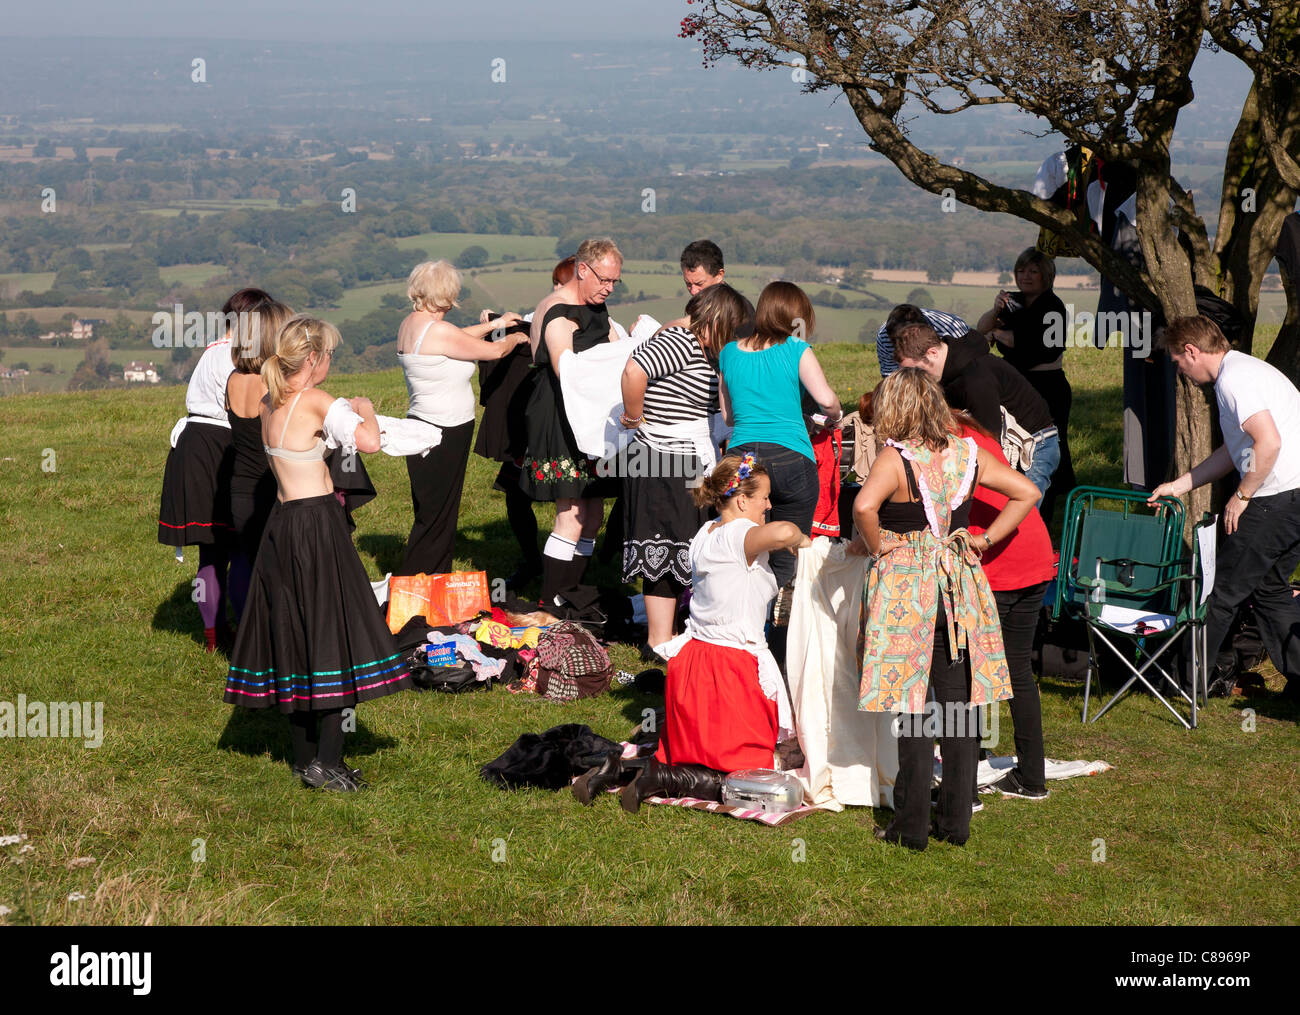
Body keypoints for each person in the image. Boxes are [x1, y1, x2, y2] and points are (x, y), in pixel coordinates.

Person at [850, 369, 1037, 850]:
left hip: (908, 590)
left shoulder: (895, 458)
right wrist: (983, 540)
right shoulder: (968, 453)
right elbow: (1028, 492)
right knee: (958, 706)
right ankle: (956, 821)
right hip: (958, 587)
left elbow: (865, 507)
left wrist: (880, 548)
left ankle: (909, 826)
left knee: (912, 708)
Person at [224, 316, 413, 791]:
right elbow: (367, 441)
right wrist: (365, 409)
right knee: (334, 634)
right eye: (328, 355)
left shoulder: (270, 401)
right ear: (312, 360)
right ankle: (327, 762)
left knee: (294, 637)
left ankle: (305, 758)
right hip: (316, 526)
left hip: (281, 527)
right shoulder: (313, 400)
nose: (331, 362)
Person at [573, 454, 810, 810]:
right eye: (764, 497)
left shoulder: (705, 531)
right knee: (747, 776)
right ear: (743, 500)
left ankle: (620, 769)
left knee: (701, 760)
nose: (769, 504)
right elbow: (782, 531)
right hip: (731, 670)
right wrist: (801, 538)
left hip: (693, 667)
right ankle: (658, 777)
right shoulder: (740, 535)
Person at [1149, 315, 1300, 700]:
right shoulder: (1242, 371)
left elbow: (1268, 443)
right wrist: (1179, 486)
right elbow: (1235, 453)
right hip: (1294, 496)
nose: (1179, 371)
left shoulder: (1235, 379)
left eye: (1177, 362)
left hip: (1276, 499)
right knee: (1271, 592)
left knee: (1220, 594)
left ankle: (1184, 687)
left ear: (1191, 351)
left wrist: (1242, 496)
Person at [618, 283, 748, 653]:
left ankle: (672, 632)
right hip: (660, 459)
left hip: (688, 459)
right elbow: (633, 371)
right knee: (661, 546)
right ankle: (658, 640)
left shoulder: (705, 351)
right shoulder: (679, 340)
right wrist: (634, 416)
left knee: (682, 546)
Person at [158, 287, 276, 652]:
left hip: (192, 448)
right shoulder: (239, 358)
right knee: (240, 547)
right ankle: (244, 634)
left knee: (211, 552)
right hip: (224, 447)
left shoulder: (210, 350)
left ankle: (213, 633)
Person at [396, 260, 527, 577]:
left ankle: (431, 582)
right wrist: (515, 339)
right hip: (444, 432)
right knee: (438, 518)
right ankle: (415, 588)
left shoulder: (413, 324)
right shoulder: (438, 330)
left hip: (423, 426)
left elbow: (457, 337)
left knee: (432, 513)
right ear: (447, 294)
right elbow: (493, 353)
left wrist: (498, 324)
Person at [957, 413, 1058, 800]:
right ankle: (1031, 778)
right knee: (1016, 671)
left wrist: (984, 541)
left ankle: (962, 791)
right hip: (1034, 558)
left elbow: (1025, 493)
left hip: (1002, 564)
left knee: (966, 676)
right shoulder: (976, 434)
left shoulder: (952, 447)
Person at [717, 281, 841, 591]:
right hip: (790, 457)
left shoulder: (729, 353)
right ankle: (779, 624)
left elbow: (728, 416)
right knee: (788, 550)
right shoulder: (797, 349)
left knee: (738, 545)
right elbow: (825, 401)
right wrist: (835, 418)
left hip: (741, 458)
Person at [520, 237, 623, 607]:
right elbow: (567, 370)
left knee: (592, 514)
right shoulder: (558, 310)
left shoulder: (597, 306)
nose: (609, 288)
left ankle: (573, 596)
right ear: (582, 269)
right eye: (604, 280)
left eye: (615, 282)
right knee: (572, 513)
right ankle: (551, 603)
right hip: (560, 418)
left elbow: (615, 345)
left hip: (591, 418)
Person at [474, 256, 576, 589]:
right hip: (526, 423)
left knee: (575, 501)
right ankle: (533, 559)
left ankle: (572, 567)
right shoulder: (529, 322)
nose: (559, 291)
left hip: (566, 424)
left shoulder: (593, 325)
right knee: (517, 495)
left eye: (565, 285)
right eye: (558, 285)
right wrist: (497, 327)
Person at [895, 321, 1060, 503]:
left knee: (1021, 516)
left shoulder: (976, 380)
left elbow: (990, 441)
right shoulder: (948, 373)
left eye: (916, 370)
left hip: (1033, 446)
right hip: (1002, 441)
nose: (915, 378)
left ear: (932, 353)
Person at [977, 248, 1077, 523]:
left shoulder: (1052, 306)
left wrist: (998, 334)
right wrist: (995, 310)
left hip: (1047, 385)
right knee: (1017, 443)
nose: (1026, 277)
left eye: (1033, 271)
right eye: (1021, 271)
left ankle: (1046, 509)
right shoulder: (1014, 302)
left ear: (1046, 276)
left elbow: (1035, 347)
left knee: (1049, 445)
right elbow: (982, 328)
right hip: (1018, 386)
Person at [225, 297, 295, 619]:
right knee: (283, 582)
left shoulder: (233, 380)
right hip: (268, 493)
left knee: (260, 575)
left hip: (239, 490)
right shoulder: (269, 385)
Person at [877, 303, 971, 379]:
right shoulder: (884, 336)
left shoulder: (951, 328)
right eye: (896, 343)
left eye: (906, 342)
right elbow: (890, 376)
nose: (901, 346)